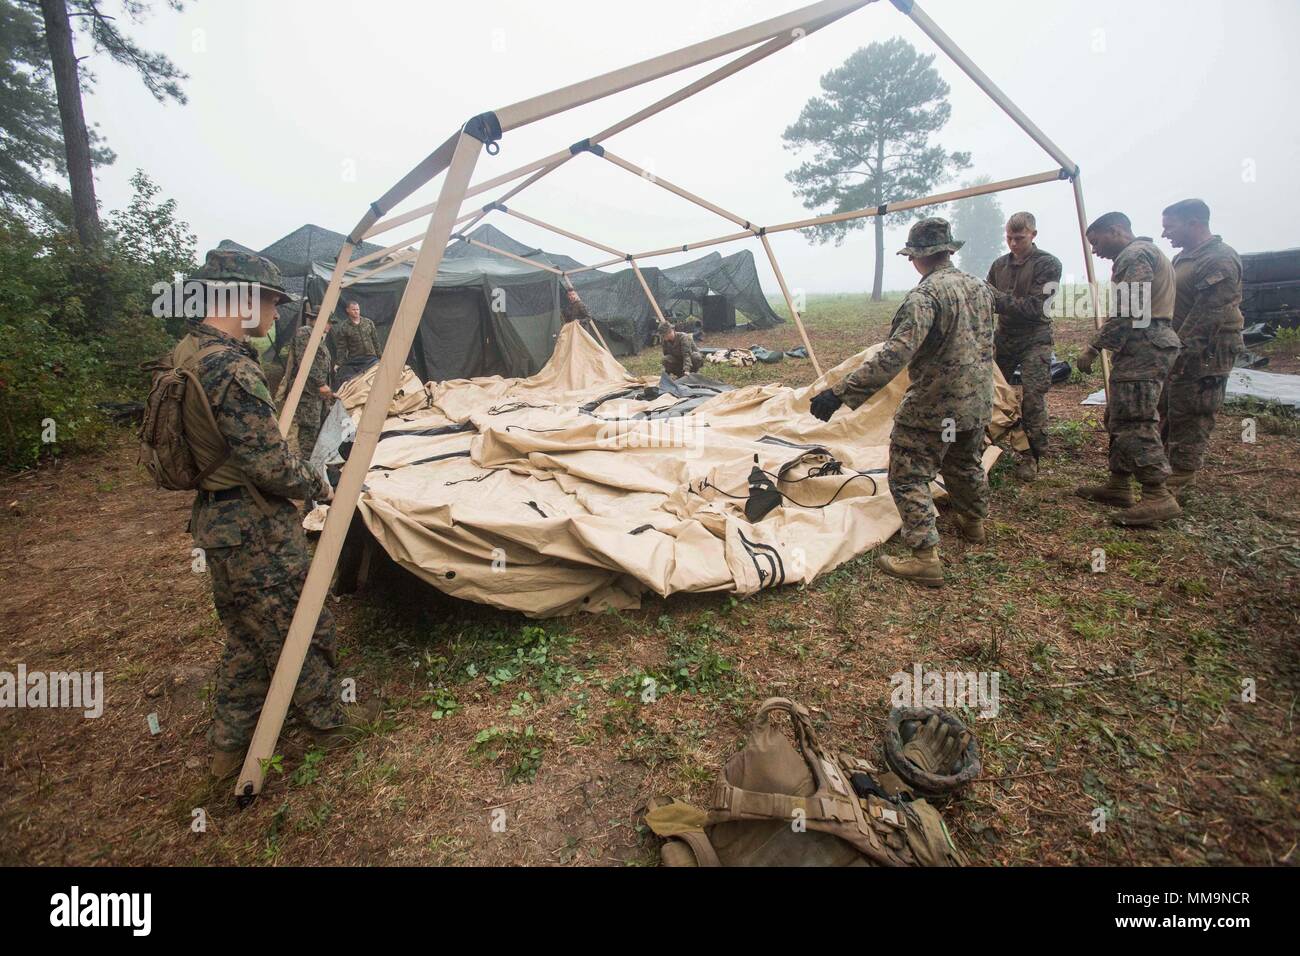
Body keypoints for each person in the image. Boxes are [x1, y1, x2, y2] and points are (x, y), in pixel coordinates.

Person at [176, 250, 375, 781]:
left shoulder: (187, 353)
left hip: (218, 523)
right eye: (270, 300)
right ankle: (329, 722)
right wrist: (319, 482)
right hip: (255, 527)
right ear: (240, 298)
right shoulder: (231, 367)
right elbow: (269, 463)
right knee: (301, 624)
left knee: (246, 635)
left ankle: (227, 750)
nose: (274, 313)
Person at [809, 218, 996, 587]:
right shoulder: (981, 287)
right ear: (949, 251)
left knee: (909, 475)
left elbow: (894, 355)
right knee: (964, 462)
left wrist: (840, 392)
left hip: (934, 405)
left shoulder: (924, 298)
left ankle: (925, 557)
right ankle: (973, 524)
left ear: (917, 257)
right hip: (975, 402)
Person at [1074, 212, 1183, 526]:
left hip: (1144, 346)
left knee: (1135, 420)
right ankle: (1119, 484)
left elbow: (1129, 307)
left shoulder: (1134, 255)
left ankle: (1157, 494)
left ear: (1116, 230)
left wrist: (1094, 347)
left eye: (1096, 242)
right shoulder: (1147, 253)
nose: (1095, 250)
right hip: (1144, 345)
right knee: (1118, 416)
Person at [1158, 198, 1244, 496]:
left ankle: (1180, 478)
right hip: (1180, 347)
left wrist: (1179, 351)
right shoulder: (1185, 257)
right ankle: (1167, 467)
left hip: (1206, 350)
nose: (1165, 234)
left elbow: (1209, 315)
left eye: (1170, 227)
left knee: (1193, 409)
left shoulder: (1218, 258)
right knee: (1171, 405)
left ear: (1193, 223)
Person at [986, 211, 1063, 481]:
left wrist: (1000, 299)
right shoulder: (999, 265)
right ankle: (987, 444)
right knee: (991, 393)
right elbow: (987, 303)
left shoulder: (1048, 264)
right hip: (1004, 337)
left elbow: (1035, 307)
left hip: (1035, 338)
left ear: (1033, 234)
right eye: (1009, 238)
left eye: (1019, 238)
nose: (1014, 243)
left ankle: (1031, 456)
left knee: (1032, 398)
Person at [276, 313, 334, 460]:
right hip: (308, 391)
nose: (330, 325)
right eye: (328, 322)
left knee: (320, 425)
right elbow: (306, 361)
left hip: (318, 393)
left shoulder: (318, 337)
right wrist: (320, 383)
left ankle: (317, 460)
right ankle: (308, 461)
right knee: (309, 427)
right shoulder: (304, 333)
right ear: (316, 320)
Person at [332, 300, 381, 384]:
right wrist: (339, 363)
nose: (356, 312)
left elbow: (375, 341)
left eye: (357, 309)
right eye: (353, 310)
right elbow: (341, 347)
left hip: (371, 358)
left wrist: (380, 356)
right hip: (355, 360)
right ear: (348, 310)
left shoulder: (368, 323)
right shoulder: (344, 327)